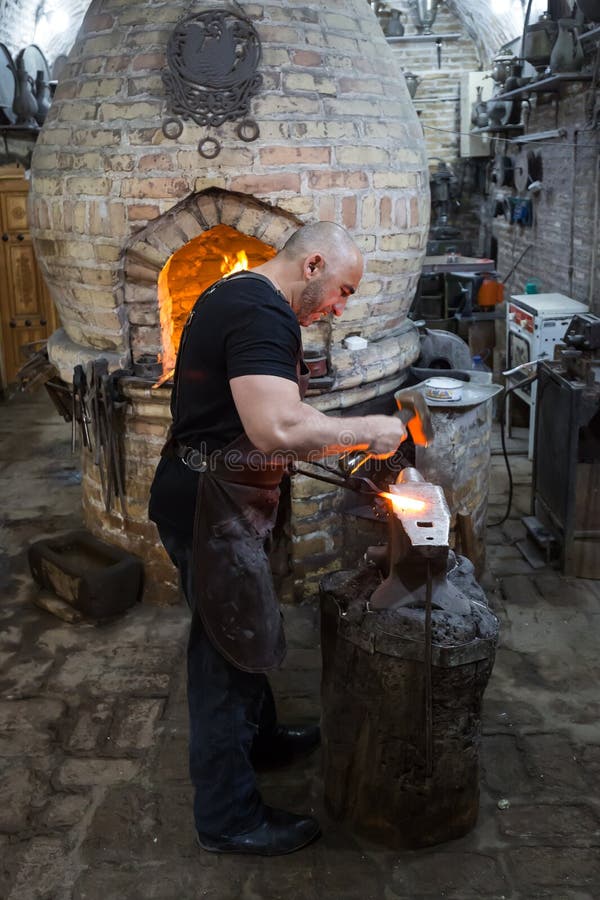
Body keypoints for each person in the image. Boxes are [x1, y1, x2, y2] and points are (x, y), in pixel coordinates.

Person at [148, 221, 406, 856]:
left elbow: (277, 408)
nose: (339, 309)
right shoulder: (263, 313)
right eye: (342, 291)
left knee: (241, 629)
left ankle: (260, 741)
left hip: (212, 494)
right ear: (312, 264)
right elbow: (276, 428)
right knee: (224, 656)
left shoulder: (236, 291)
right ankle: (227, 818)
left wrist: (332, 433)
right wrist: (368, 429)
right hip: (210, 507)